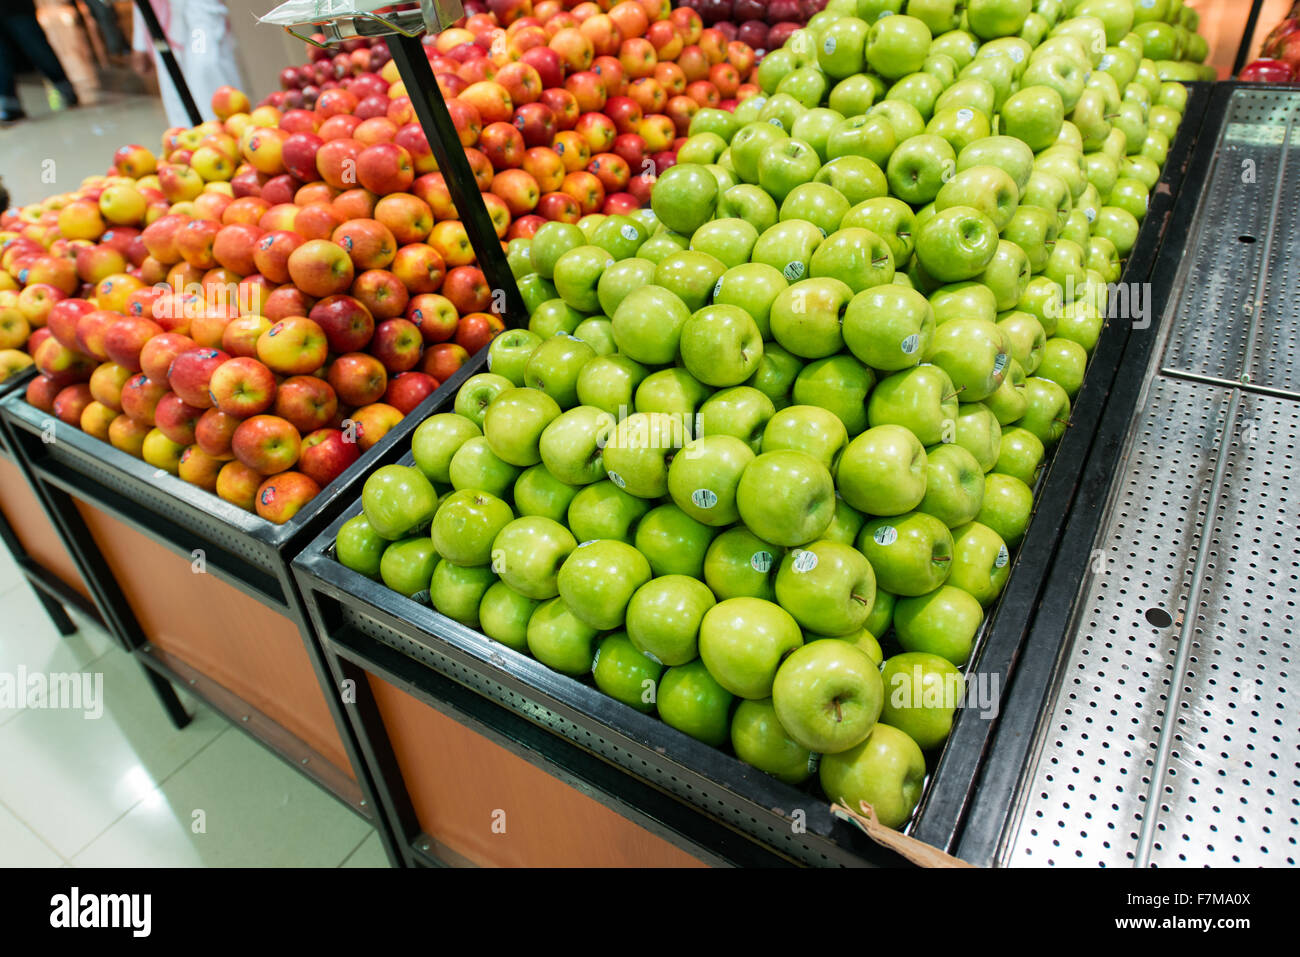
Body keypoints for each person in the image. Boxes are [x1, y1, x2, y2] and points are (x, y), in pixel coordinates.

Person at [132, 0, 247, 128]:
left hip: (199, 16)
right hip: (162, 24)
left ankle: (224, 131)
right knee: (175, 88)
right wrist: (140, 43)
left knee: (205, 69)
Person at [0, 0, 79, 124]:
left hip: (16, 8)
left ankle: (66, 89)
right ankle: (10, 105)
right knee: (1, 61)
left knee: (38, 49)